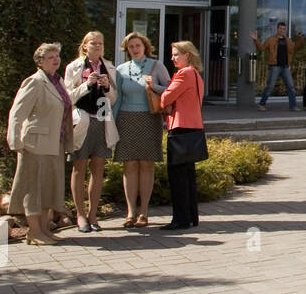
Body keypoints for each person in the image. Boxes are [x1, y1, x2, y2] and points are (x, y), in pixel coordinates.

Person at [6, 43, 74, 245]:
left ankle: (44, 229)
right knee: (33, 188)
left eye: (57, 56)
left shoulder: (57, 81)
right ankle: (34, 232)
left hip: (55, 142)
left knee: (49, 188)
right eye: (50, 56)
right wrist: (14, 140)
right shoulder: (34, 82)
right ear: (40, 61)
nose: (56, 59)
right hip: (35, 144)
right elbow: (17, 113)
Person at [114, 31, 169, 228]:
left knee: (146, 164)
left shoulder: (156, 65)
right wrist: (111, 122)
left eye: (138, 45)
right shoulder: (120, 70)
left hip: (149, 118)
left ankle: (144, 211)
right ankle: (130, 212)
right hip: (126, 119)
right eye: (131, 47)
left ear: (145, 47)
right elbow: (118, 98)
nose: (135, 49)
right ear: (127, 50)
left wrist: (155, 86)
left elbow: (170, 90)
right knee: (129, 165)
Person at [65, 30, 118, 232]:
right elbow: (68, 97)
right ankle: (80, 216)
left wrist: (107, 87)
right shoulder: (74, 67)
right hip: (82, 119)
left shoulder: (109, 67)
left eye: (101, 44)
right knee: (79, 168)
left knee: (98, 168)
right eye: (93, 43)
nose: (97, 47)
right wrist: (87, 85)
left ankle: (93, 214)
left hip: (102, 118)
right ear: (85, 45)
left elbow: (113, 99)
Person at [159, 41, 204, 231]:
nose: (172, 58)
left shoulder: (184, 73)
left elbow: (165, 98)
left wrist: (163, 97)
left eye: (176, 54)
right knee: (188, 175)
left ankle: (180, 219)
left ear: (188, 55)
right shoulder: (196, 75)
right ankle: (191, 216)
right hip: (193, 128)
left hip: (180, 128)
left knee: (178, 176)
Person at [251, 21, 299, 112]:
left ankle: (293, 106)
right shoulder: (271, 39)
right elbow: (261, 48)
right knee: (270, 86)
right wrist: (255, 40)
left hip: (285, 67)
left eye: (284, 29)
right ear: (277, 29)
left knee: (291, 86)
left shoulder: (288, 40)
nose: (282, 30)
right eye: (280, 28)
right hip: (274, 66)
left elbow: (294, 48)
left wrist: (300, 38)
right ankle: (261, 104)